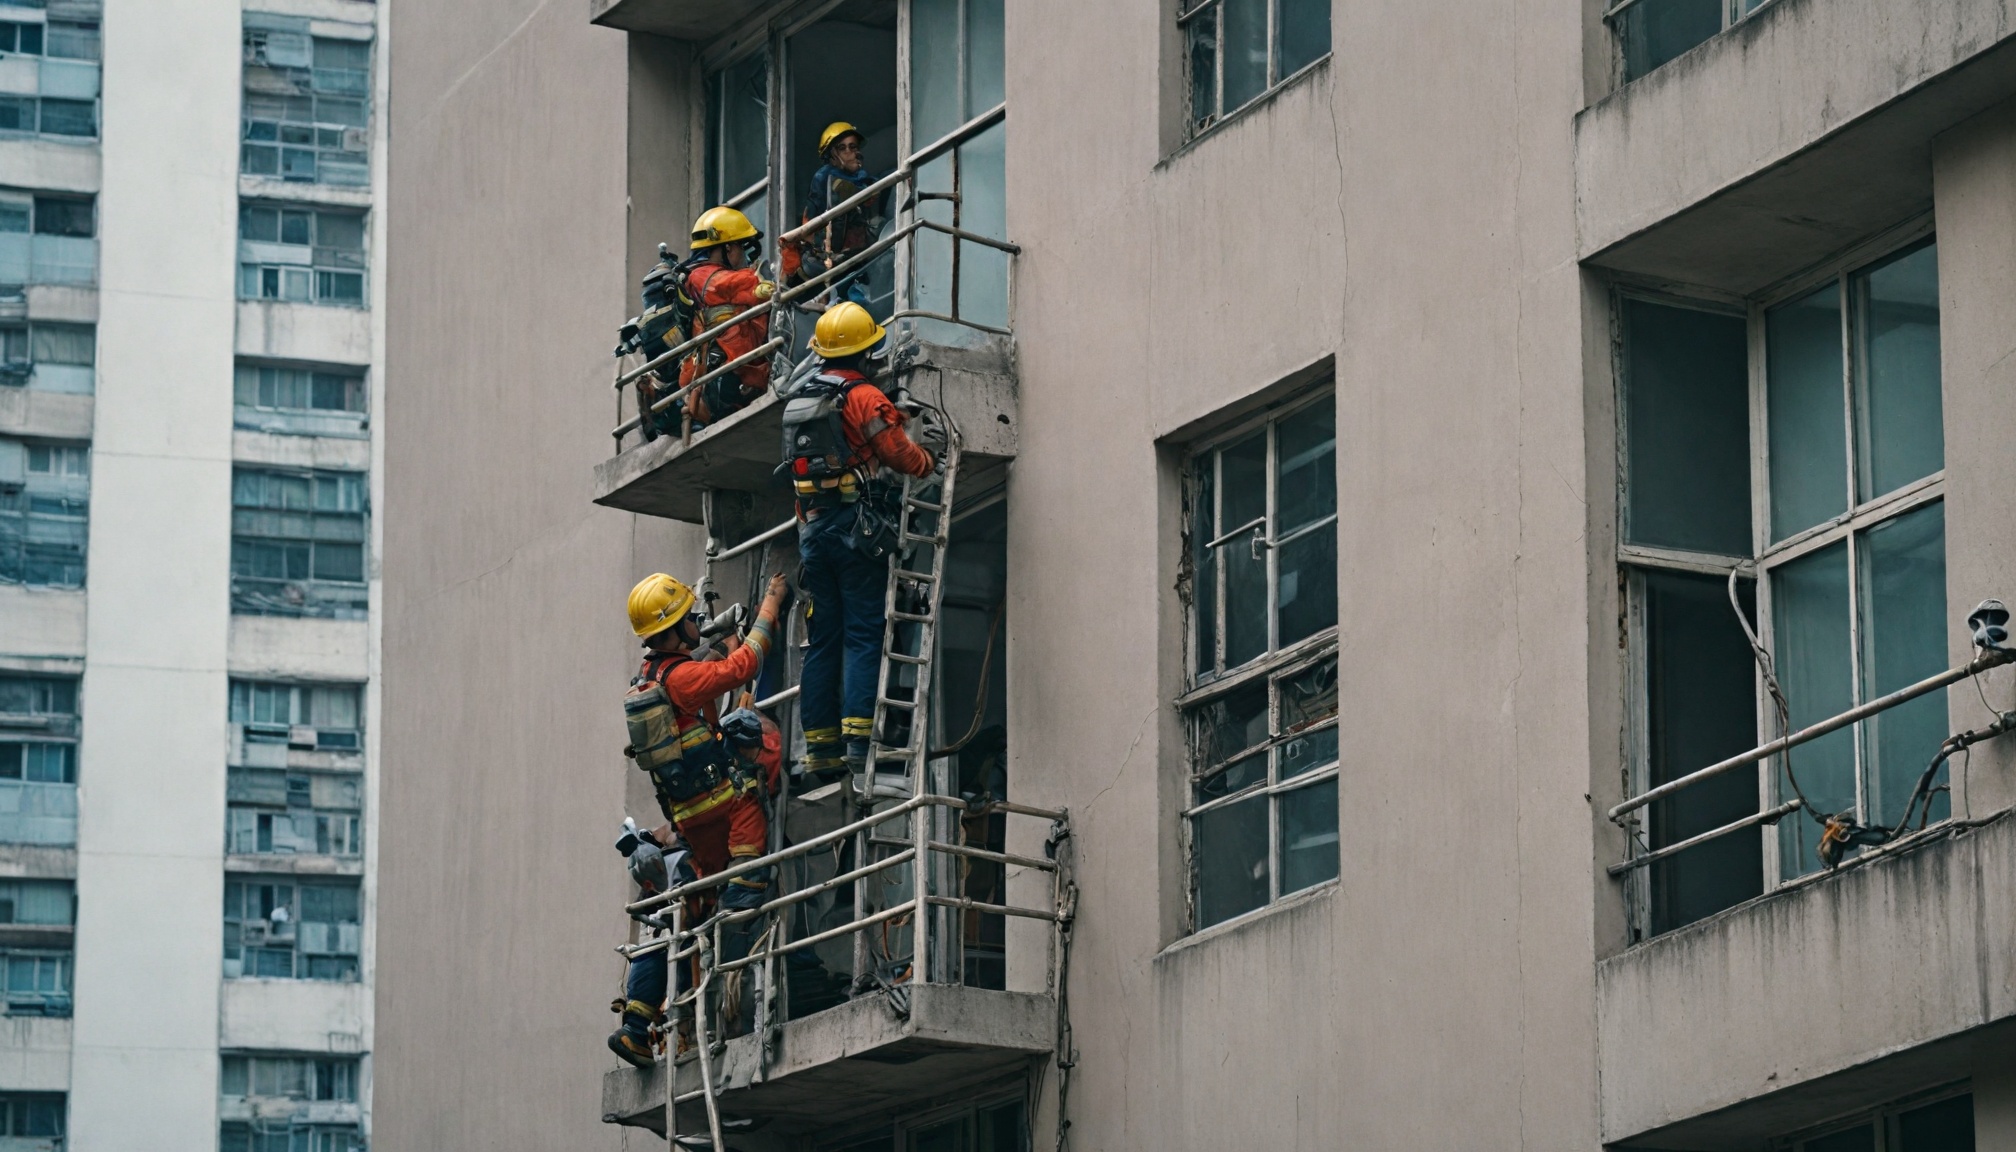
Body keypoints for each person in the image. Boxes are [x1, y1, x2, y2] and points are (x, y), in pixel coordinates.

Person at [779, 303, 938, 777]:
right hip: (855, 531)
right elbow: (898, 455)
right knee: (865, 631)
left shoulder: (800, 398)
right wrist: (930, 458)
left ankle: (821, 750)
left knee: (823, 640)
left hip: (813, 530)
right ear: (867, 352)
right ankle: (858, 741)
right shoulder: (866, 396)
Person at [679, 206, 780, 426]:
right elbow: (727, 286)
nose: (743, 254)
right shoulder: (700, 276)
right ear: (727, 247)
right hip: (723, 370)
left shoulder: (714, 277)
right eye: (740, 247)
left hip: (741, 370)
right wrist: (758, 281)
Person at [788, 122, 887, 307]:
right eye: (843, 148)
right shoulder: (826, 176)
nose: (850, 152)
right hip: (829, 256)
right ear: (832, 155)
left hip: (856, 253)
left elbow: (871, 192)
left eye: (853, 147)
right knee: (846, 298)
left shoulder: (863, 179)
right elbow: (847, 193)